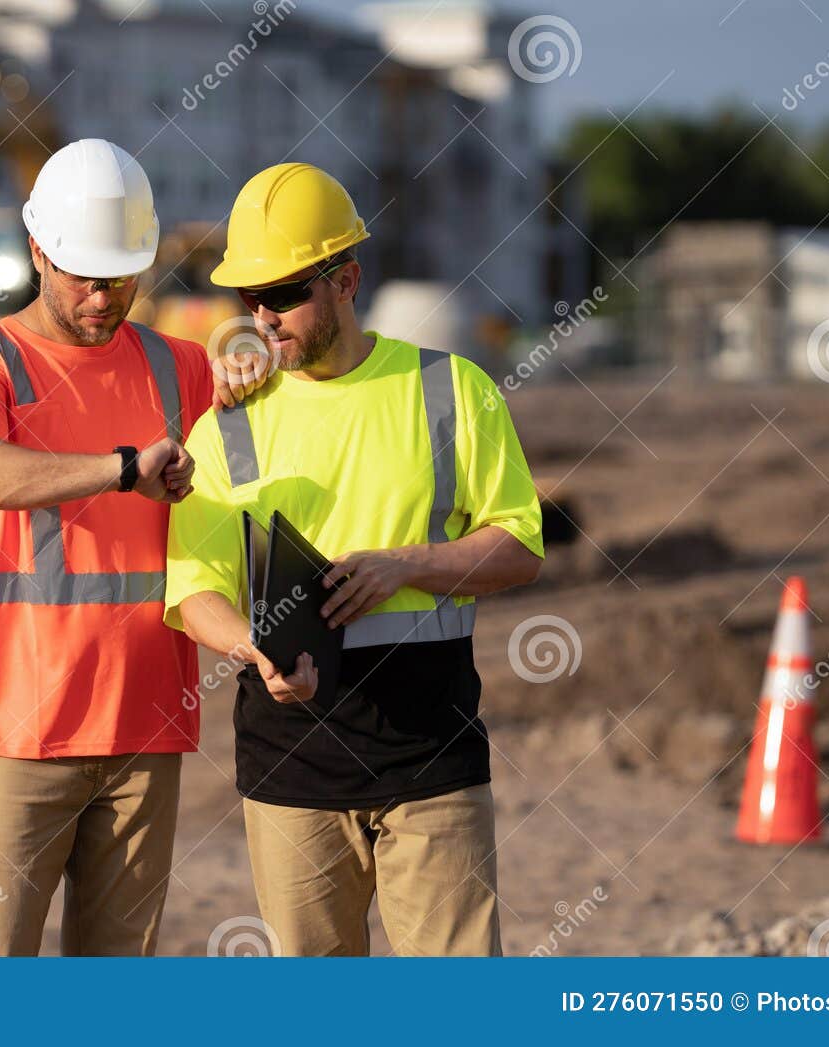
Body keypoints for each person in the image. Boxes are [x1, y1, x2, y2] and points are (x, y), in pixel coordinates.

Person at [164, 162, 545, 956]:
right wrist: (252, 648)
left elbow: (518, 547)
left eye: (286, 293)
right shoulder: (226, 426)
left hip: (431, 757)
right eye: (251, 298)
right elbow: (195, 586)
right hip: (291, 766)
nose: (264, 318)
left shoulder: (450, 390)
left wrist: (406, 565)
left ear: (347, 278)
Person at [0, 138, 264, 956]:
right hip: (17, 733)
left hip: (145, 731)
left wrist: (253, 361)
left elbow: (265, 410)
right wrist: (121, 470)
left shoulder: (172, 365)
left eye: (120, 274)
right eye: (82, 272)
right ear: (38, 250)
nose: (102, 293)